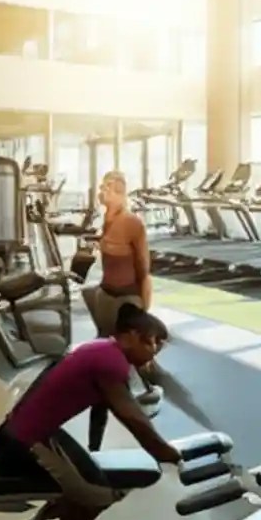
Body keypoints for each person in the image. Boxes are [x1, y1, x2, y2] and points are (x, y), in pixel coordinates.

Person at [0, 304, 181, 520]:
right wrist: (170, 454)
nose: (156, 349)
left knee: (91, 486)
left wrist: (93, 450)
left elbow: (101, 411)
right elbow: (133, 418)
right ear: (131, 335)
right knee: (98, 498)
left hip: (23, 434)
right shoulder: (112, 362)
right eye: (153, 341)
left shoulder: (100, 348)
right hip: (22, 445)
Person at [80, 171, 162, 407]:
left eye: (106, 188)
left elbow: (144, 271)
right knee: (104, 343)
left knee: (128, 350)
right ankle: (104, 389)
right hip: (106, 293)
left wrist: (144, 311)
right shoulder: (107, 219)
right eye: (101, 187)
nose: (101, 192)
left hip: (127, 297)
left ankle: (141, 384)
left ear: (120, 193)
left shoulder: (133, 223)